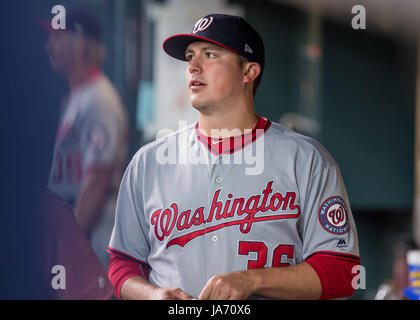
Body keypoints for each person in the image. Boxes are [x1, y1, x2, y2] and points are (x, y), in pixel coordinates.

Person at [107, 13, 360, 300]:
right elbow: (123, 264)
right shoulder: (149, 162)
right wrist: (151, 295)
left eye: (210, 55)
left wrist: (251, 280)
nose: (193, 66)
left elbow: (342, 270)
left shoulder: (306, 159)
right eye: (190, 56)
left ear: (248, 72)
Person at [43, 9, 128, 270]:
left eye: (57, 38)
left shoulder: (98, 99)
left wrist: (70, 247)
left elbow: (96, 182)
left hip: (93, 229)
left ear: (80, 46)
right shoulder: (76, 95)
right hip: (73, 222)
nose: (49, 47)